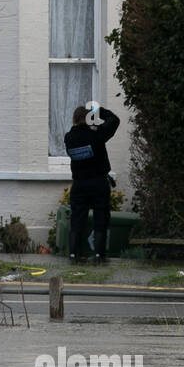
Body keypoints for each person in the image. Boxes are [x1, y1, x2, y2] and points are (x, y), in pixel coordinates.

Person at [63, 104, 121, 264]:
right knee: (101, 218)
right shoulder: (97, 135)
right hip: (98, 183)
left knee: (77, 219)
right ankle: (98, 256)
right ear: (90, 119)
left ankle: (73, 255)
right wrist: (99, 110)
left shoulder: (69, 137)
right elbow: (115, 120)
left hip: (79, 184)